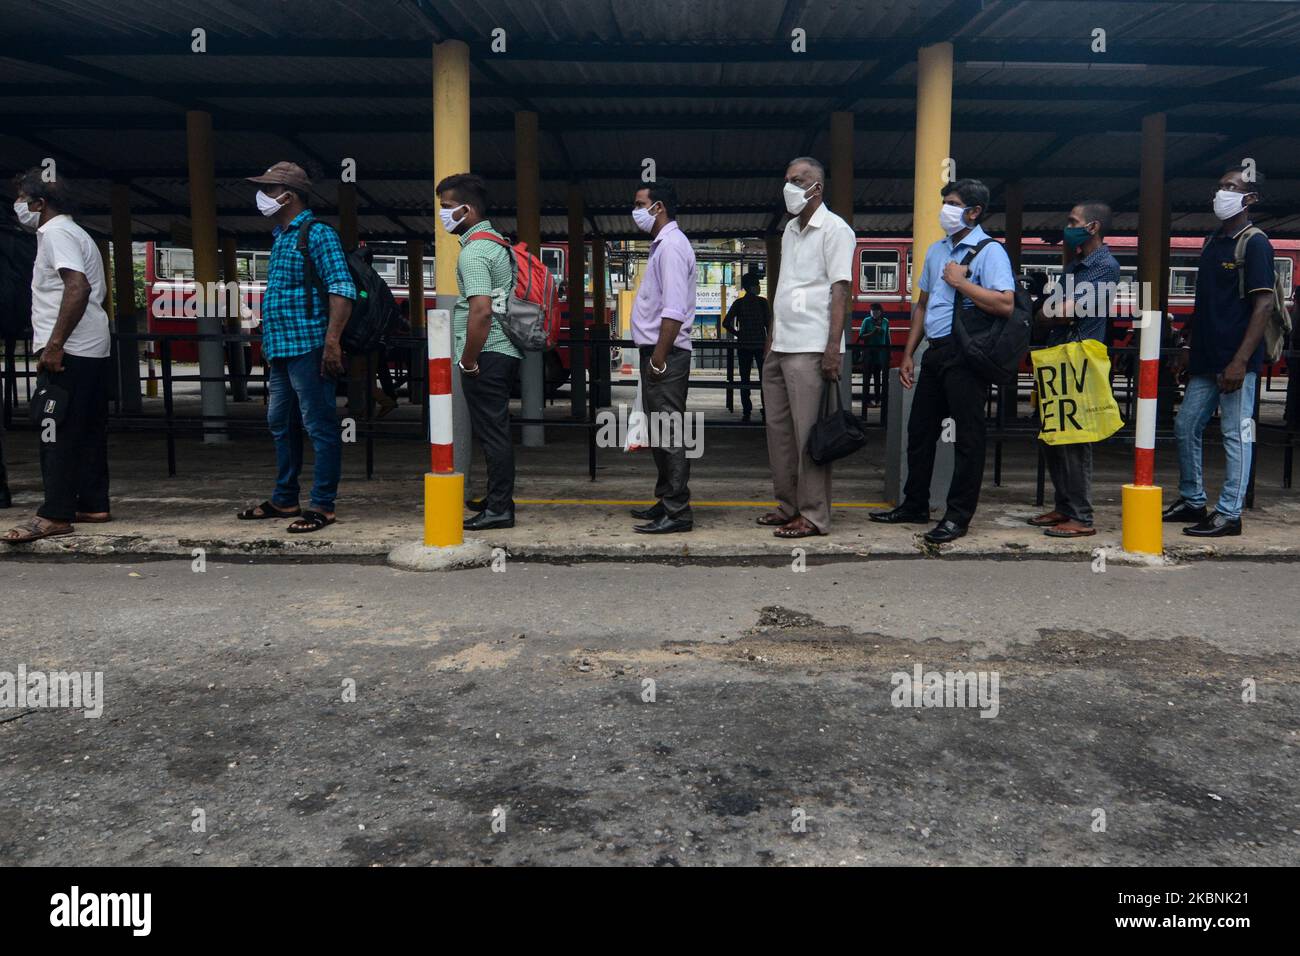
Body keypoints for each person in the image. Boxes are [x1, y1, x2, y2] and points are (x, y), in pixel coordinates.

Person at [869, 178, 1016, 543]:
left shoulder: (989, 252)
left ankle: (957, 516)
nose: (944, 209)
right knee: (920, 432)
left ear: (974, 211)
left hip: (967, 355)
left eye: (951, 203)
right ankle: (915, 503)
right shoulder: (937, 251)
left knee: (968, 437)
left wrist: (962, 283)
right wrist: (908, 354)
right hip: (935, 352)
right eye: (945, 202)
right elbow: (921, 304)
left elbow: (1005, 303)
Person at [235, 162, 354, 533]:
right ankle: (285, 498)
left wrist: (331, 343)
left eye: (269, 189)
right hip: (282, 348)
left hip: (309, 345)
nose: (263, 196)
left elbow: (342, 288)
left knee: (319, 426)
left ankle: (323, 505)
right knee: (280, 423)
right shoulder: (282, 236)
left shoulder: (318, 234)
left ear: (289, 194)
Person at [1164, 165, 1276, 537]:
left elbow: (1262, 306)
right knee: (1186, 426)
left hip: (1235, 361)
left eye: (1232, 187)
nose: (1222, 193)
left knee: (1235, 433)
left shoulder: (1255, 242)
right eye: (1220, 186)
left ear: (1250, 198)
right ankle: (1194, 500)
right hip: (1206, 356)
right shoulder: (1213, 241)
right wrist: (1187, 346)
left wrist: (1241, 361)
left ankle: (1229, 513)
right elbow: (1205, 303)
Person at [3, 170, 112, 544]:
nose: (18, 206)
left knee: (54, 429)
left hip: (70, 349)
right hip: (92, 348)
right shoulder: (77, 232)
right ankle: (93, 503)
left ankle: (54, 513)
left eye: (22, 199)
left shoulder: (55, 233)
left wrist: (54, 344)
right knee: (88, 427)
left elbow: (76, 286)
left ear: (40, 203)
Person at [760, 156, 855, 539]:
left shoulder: (835, 230)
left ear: (817, 187)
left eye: (797, 180)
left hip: (813, 347)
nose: (790, 187)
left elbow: (841, 289)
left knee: (808, 435)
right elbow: (785, 286)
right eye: (787, 180)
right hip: (781, 345)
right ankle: (787, 504)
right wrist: (772, 334)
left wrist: (832, 347)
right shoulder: (789, 230)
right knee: (779, 431)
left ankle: (814, 515)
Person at [1028, 201, 1121, 538]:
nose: (1067, 227)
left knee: (1075, 439)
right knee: (1052, 435)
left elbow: (1066, 312)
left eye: (1073, 221)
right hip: (1058, 356)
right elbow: (1053, 310)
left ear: (1093, 226)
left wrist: (1045, 311)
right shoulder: (1075, 266)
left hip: (1080, 358)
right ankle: (1064, 506)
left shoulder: (1105, 265)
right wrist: (1048, 311)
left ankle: (1081, 516)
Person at [436, 172, 521, 531]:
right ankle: (498, 500)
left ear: (466, 210)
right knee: (496, 430)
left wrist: (468, 360)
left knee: (493, 433)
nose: (442, 215)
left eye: (447, 208)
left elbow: (481, 311)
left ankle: (500, 509)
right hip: (504, 351)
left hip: (487, 354)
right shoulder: (498, 243)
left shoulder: (474, 252)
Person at [627, 179, 697, 534]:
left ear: (659, 207)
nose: (635, 211)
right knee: (660, 432)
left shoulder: (670, 246)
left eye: (640, 204)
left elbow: (673, 310)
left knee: (669, 432)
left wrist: (658, 358)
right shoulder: (663, 246)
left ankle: (678, 510)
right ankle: (666, 498)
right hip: (659, 353)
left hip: (665, 355)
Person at [724, 271, 768, 422]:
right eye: (757, 284)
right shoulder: (763, 303)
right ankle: (766, 410)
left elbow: (725, 322)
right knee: (765, 380)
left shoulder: (739, 303)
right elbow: (769, 326)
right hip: (761, 345)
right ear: (752, 287)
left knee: (744, 379)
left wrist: (738, 334)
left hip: (743, 345)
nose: (759, 287)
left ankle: (746, 411)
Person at [858, 302, 889, 406]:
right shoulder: (866, 321)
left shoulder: (885, 321)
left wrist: (889, 353)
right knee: (866, 378)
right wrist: (873, 332)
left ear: (880, 312)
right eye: (872, 311)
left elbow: (887, 337)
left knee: (877, 379)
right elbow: (861, 336)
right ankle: (866, 400)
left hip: (880, 354)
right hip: (868, 354)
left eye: (876, 311)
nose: (874, 313)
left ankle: (877, 399)